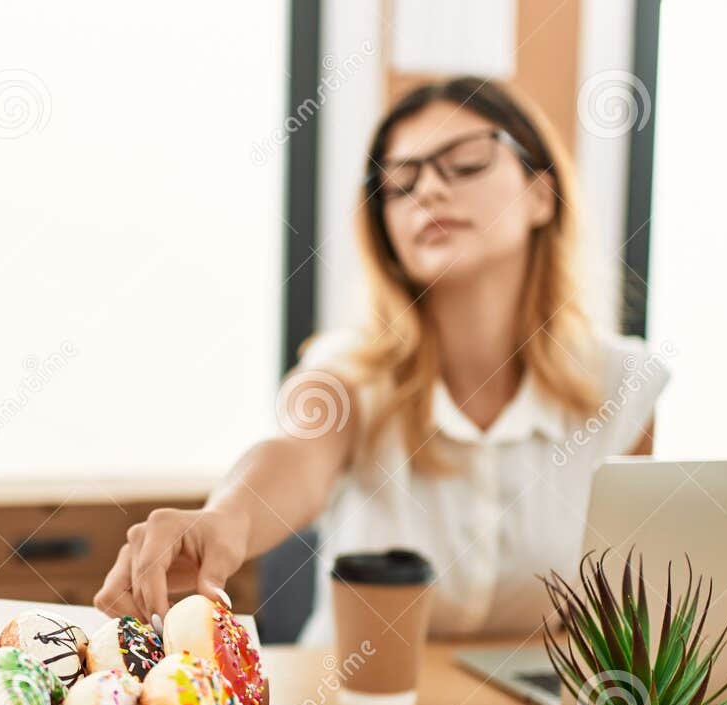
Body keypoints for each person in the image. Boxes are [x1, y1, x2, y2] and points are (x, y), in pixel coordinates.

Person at [95, 76, 669, 641]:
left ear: (541, 194)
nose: (428, 192)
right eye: (399, 184)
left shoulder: (620, 384)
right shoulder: (345, 372)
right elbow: (296, 458)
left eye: (466, 162)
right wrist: (227, 518)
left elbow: (626, 593)